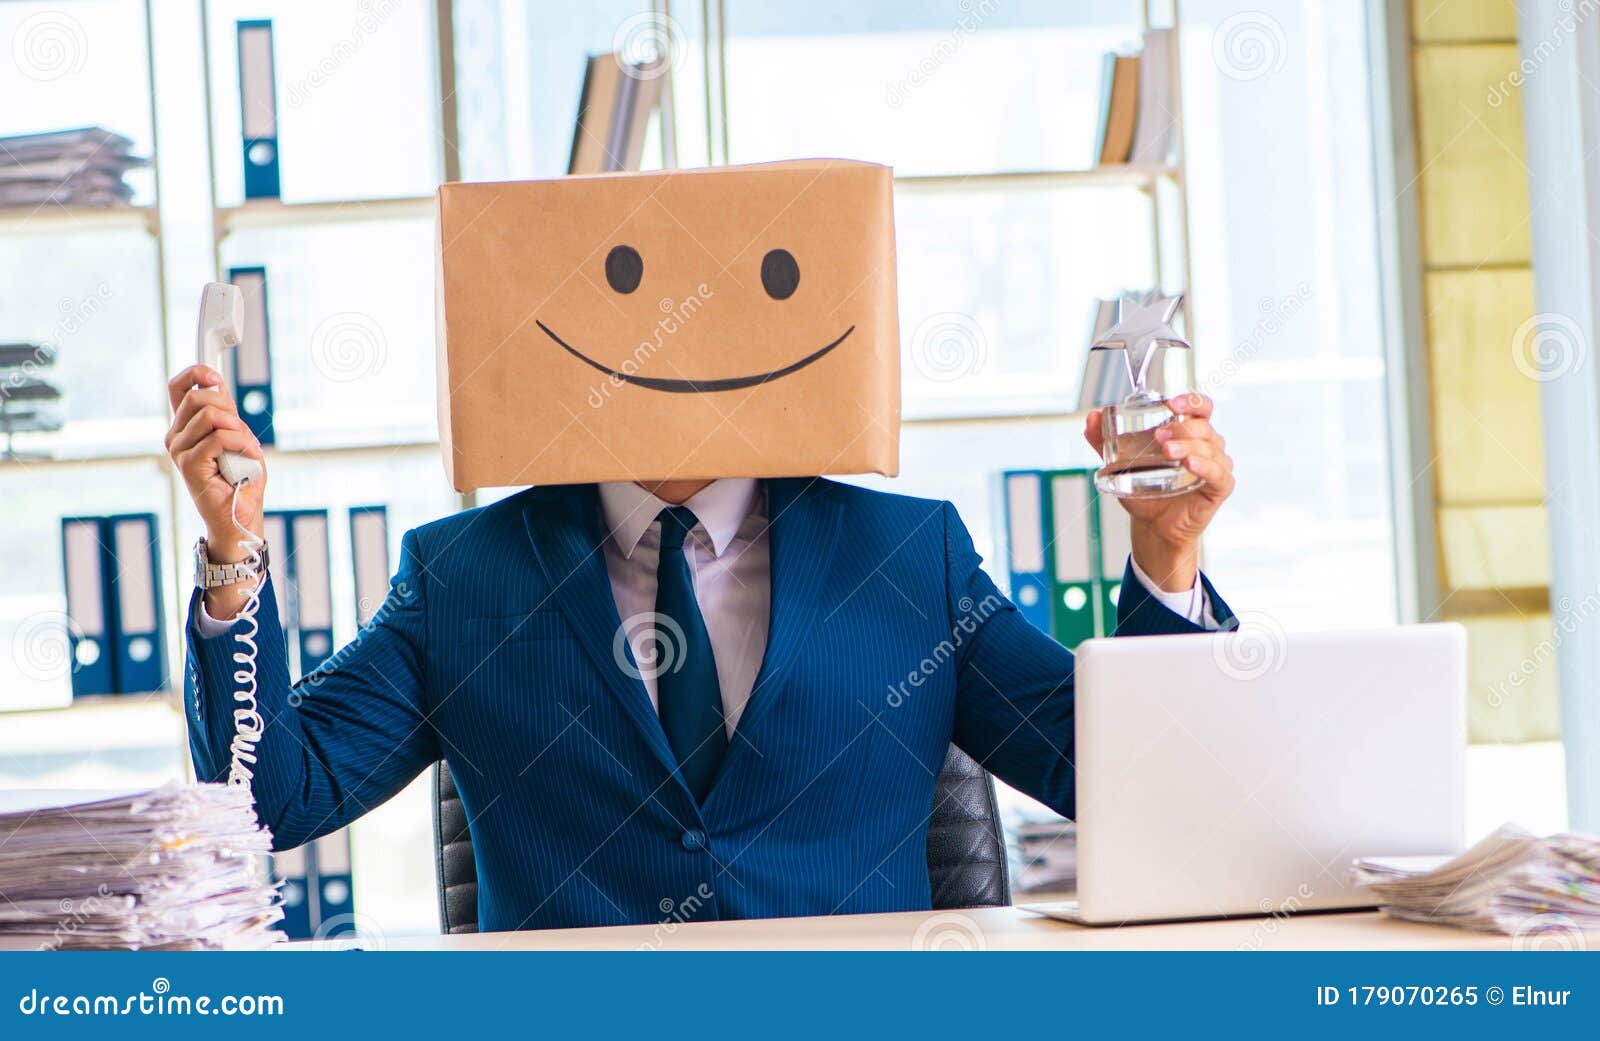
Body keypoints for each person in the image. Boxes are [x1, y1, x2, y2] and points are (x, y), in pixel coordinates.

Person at [166, 363, 1234, 932]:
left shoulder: (908, 555)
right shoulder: (463, 572)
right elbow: (270, 802)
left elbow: (1128, 781)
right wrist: (232, 552)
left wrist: (1167, 557)